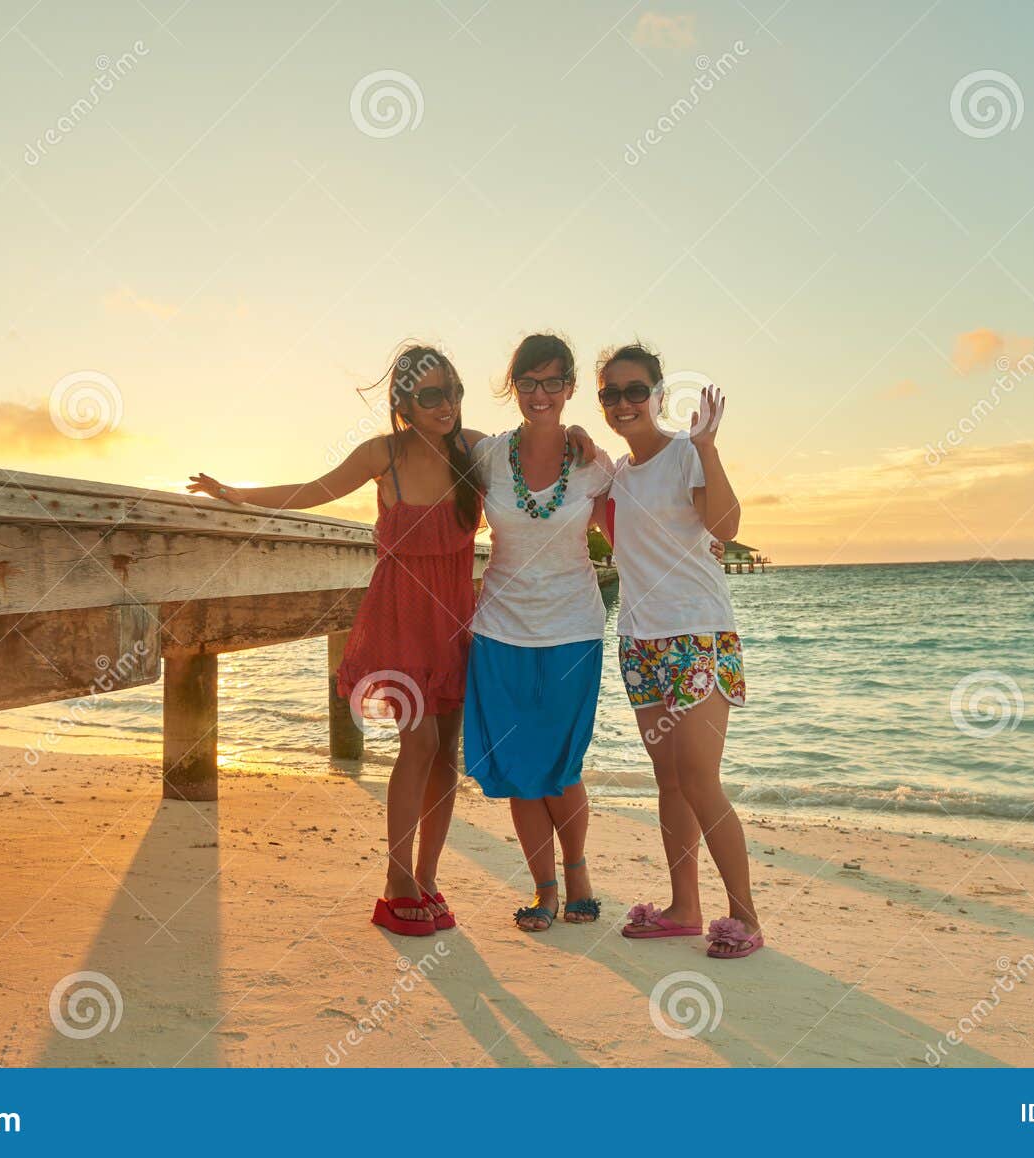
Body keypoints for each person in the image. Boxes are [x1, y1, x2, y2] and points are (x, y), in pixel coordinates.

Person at [187, 345, 479, 937]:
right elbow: (314, 489)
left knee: (448, 753)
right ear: (405, 402)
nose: (445, 405)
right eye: (430, 395)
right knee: (418, 743)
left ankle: (427, 874)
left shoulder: (474, 450)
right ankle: (397, 877)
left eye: (452, 391)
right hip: (400, 618)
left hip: (455, 619)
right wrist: (239, 495)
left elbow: (538, 462)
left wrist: (576, 434)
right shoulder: (384, 455)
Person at [599, 343, 763, 960]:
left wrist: (709, 450)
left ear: (658, 394)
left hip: (697, 636)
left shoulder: (684, 457)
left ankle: (745, 916)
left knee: (699, 779)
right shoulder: (619, 474)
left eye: (635, 391)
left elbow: (725, 526)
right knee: (668, 779)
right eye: (610, 394)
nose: (623, 404)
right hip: (639, 642)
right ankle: (684, 908)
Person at [461, 334, 615, 932]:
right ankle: (544, 891)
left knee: (561, 765)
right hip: (499, 630)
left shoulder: (594, 464)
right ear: (513, 387)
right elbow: (431, 462)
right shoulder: (489, 457)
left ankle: (578, 875)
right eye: (528, 382)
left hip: (574, 630)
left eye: (553, 382)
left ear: (571, 388)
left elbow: (636, 529)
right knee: (523, 768)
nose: (540, 393)